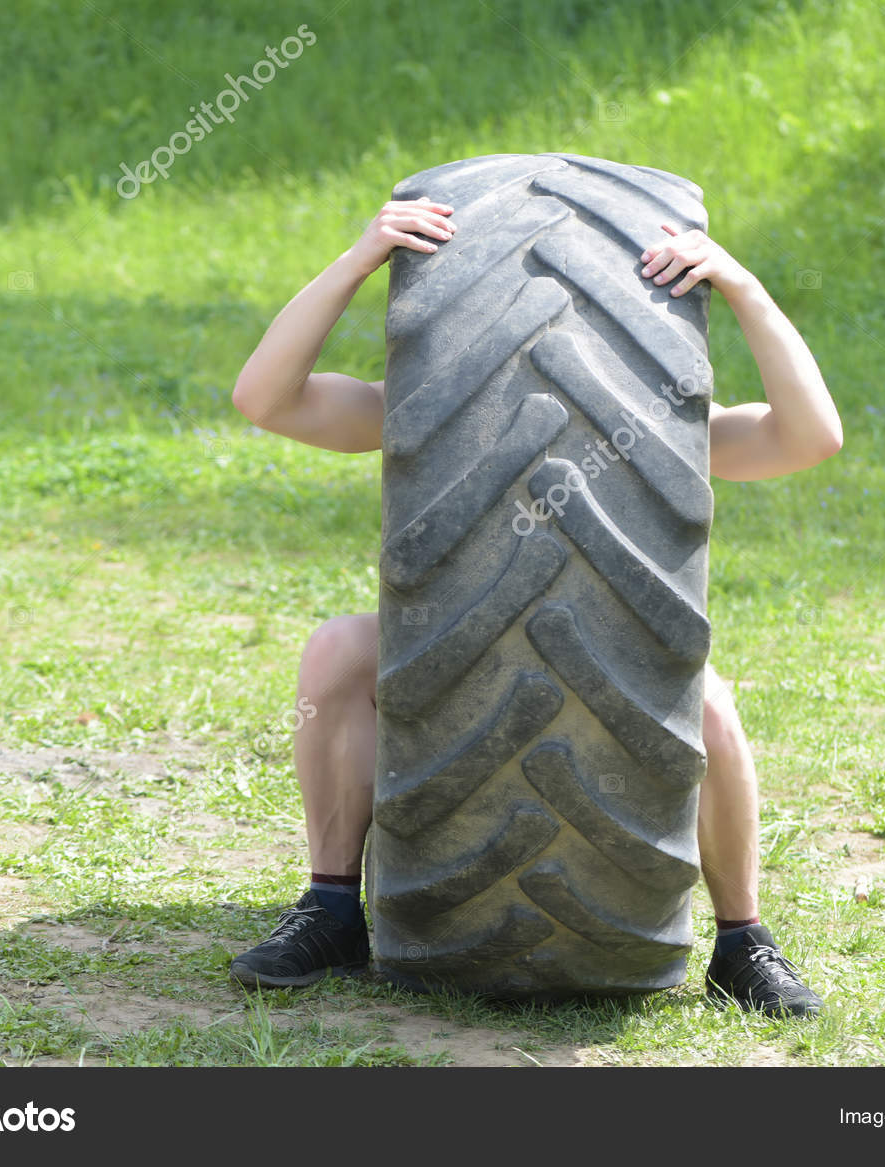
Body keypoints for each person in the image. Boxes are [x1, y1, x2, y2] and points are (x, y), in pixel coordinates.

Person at [227, 189, 843, 1016]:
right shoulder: (417, 413)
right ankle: (332, 904)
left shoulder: (671, 429)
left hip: (613, 655)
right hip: (453, 641)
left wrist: (743, 288)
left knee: (712, 703)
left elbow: (812, 437)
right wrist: (360, 260)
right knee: (337, 648)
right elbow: (265, 397)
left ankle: (743, 938)